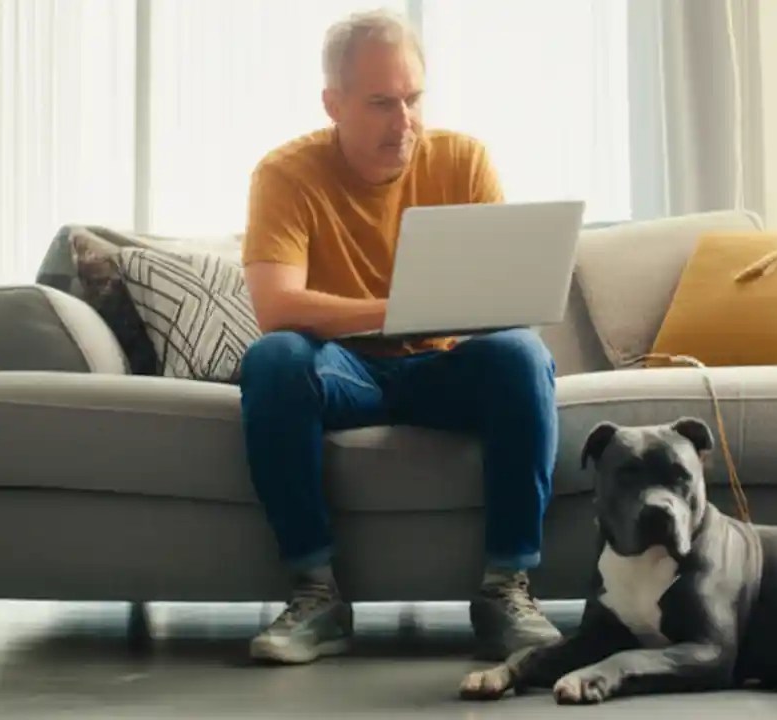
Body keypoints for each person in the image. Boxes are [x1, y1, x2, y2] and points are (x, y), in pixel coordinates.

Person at [239, 8, 561, 665]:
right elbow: (276, 307)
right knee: (274, 360)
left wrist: (467, 305)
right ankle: (316, 594)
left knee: (523, 356)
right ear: (333, 103)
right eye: (382, 103)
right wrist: (397, 309)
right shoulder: (285, 174)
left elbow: (498, 300)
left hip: (442, 369)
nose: (404, 121)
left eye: (414, 99)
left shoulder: (463, 160)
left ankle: (507, 588)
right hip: (344, 372)